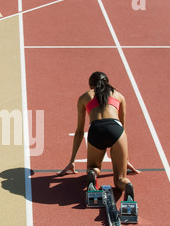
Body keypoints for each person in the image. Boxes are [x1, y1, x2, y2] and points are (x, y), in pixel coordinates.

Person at [58, 71, 140, 200]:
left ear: (91, 86)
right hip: (116, 130)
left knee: (93, 166)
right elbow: (122, 128)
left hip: (96, 130)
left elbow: (79, 130)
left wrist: (72, 160)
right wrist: (125, 160)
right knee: (120, 179)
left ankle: (93, 173)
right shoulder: (119, 96)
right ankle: (127, 185)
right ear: (107, 82)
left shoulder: (85, 97)